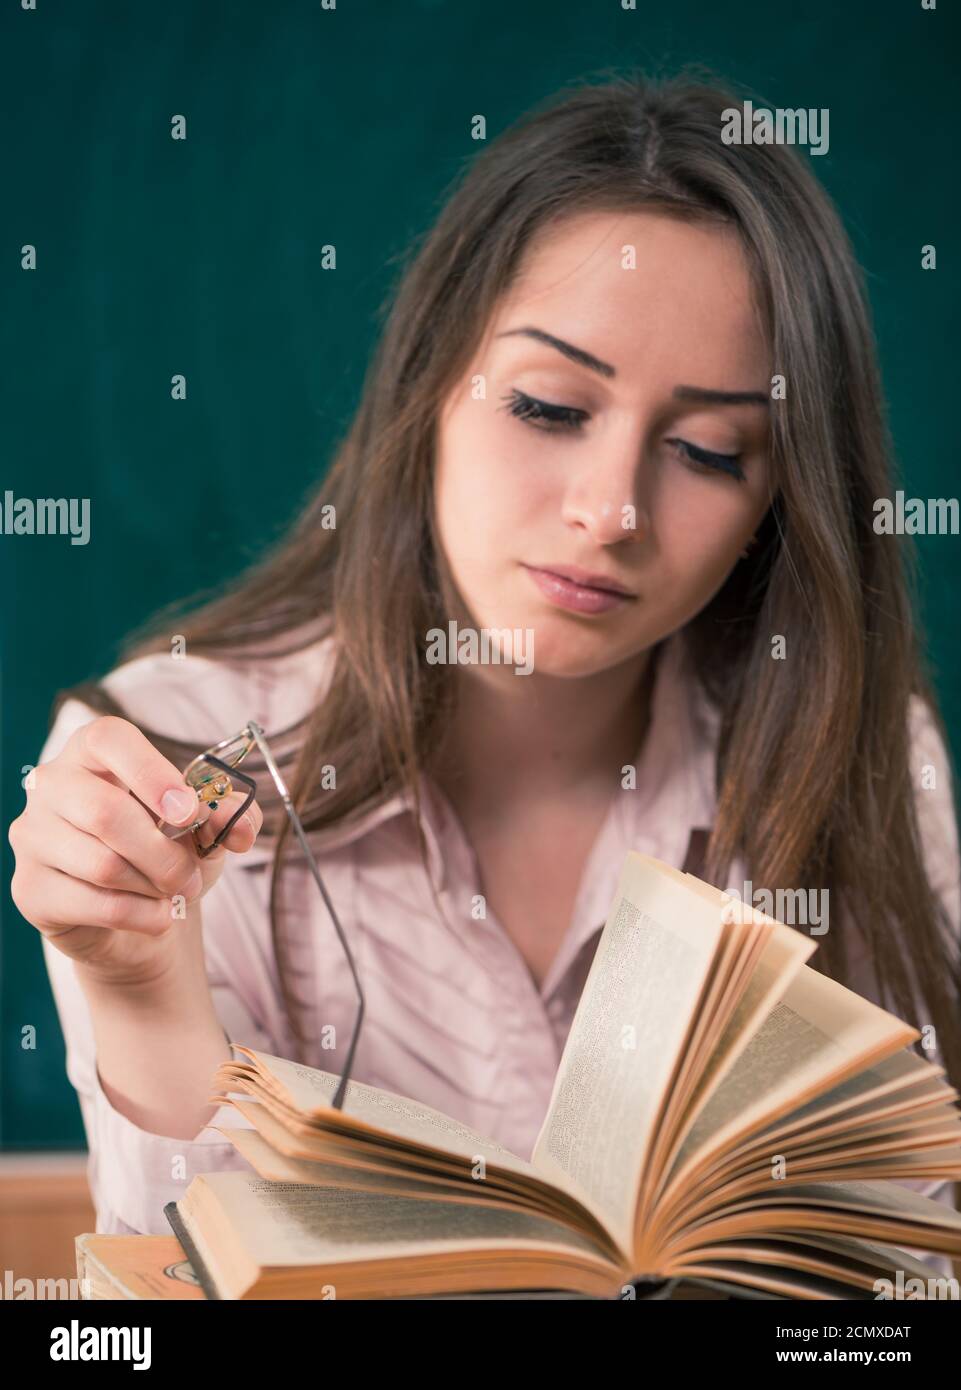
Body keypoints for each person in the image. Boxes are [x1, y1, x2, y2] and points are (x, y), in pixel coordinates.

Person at [10, 74, 960, 1261]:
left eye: (710, 451)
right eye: (548, 405)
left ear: (781, 498)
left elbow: (908, 1255)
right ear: (429, 385)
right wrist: (144, 993)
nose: (610, 512)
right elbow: (181, 1284)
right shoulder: (162, 766)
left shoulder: (859, 748)